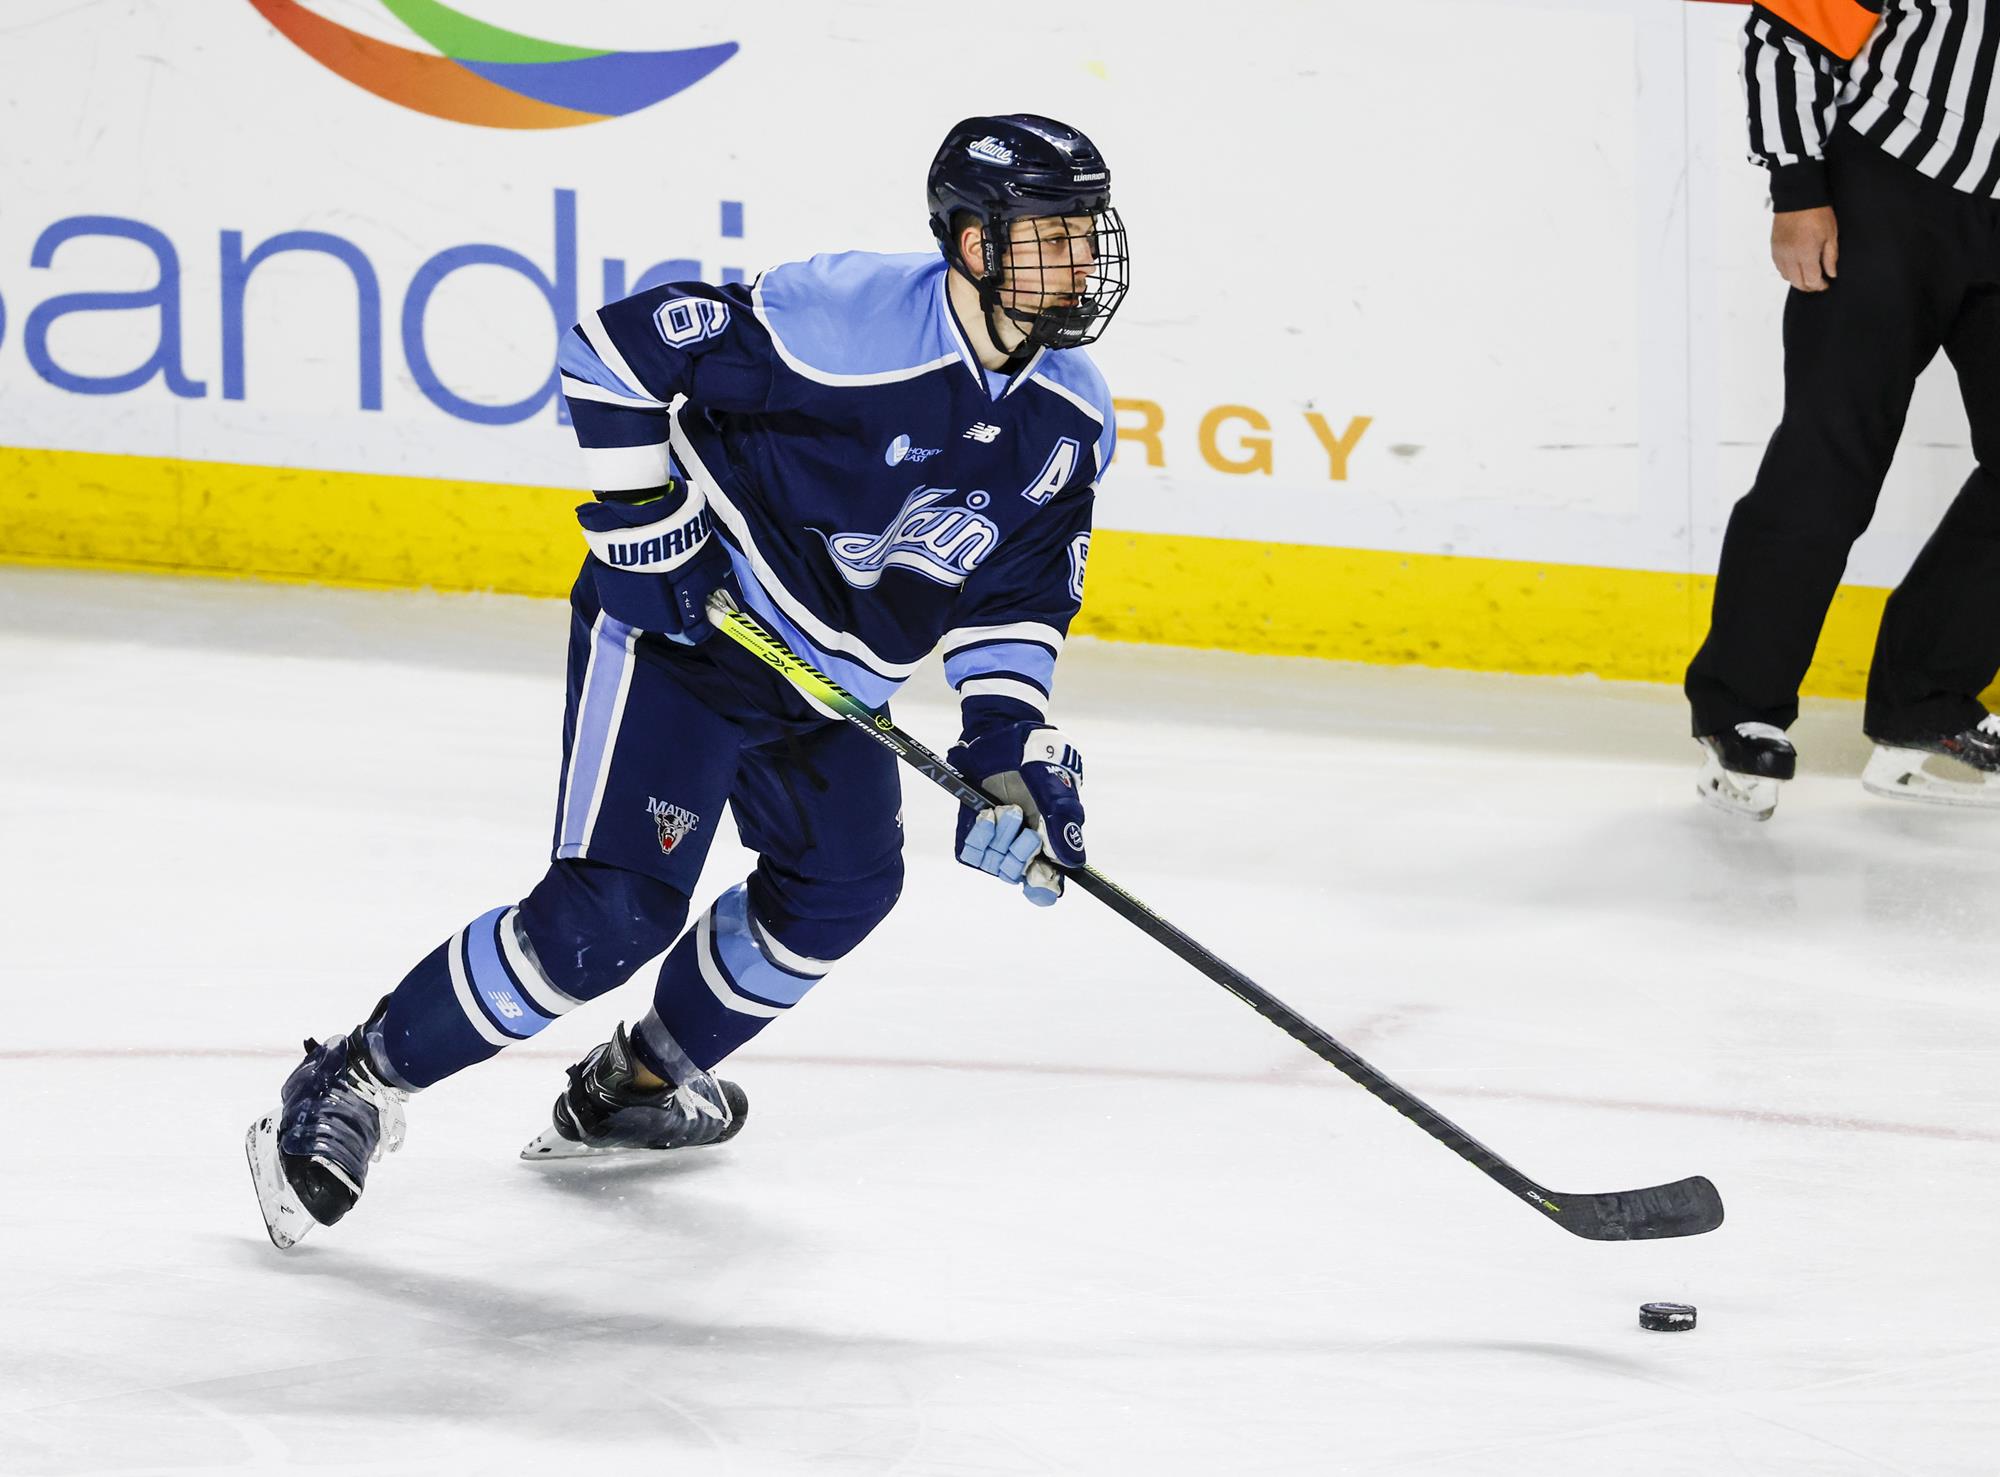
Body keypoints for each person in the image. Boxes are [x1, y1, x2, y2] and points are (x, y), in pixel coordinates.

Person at [245, 114, 1128, 1249]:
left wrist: (1006, 742)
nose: (1080, 262)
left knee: (842, 885)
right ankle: (351, 1083)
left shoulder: (1070, 413)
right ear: (968, 243)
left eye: (1084, 233)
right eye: (1047, 236)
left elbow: (1013, 596)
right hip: (684, 637)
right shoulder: (844, 320)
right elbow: (611, 351)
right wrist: (640, 523)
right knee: (605, 920)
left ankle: (640, 1084)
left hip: (824, 684)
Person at [1686, 0, 2000, 820]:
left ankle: (1923, 703)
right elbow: (1793, 21)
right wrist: (1797, 187)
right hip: (1893, 191)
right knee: (1832, 456)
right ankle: (1741, 707)